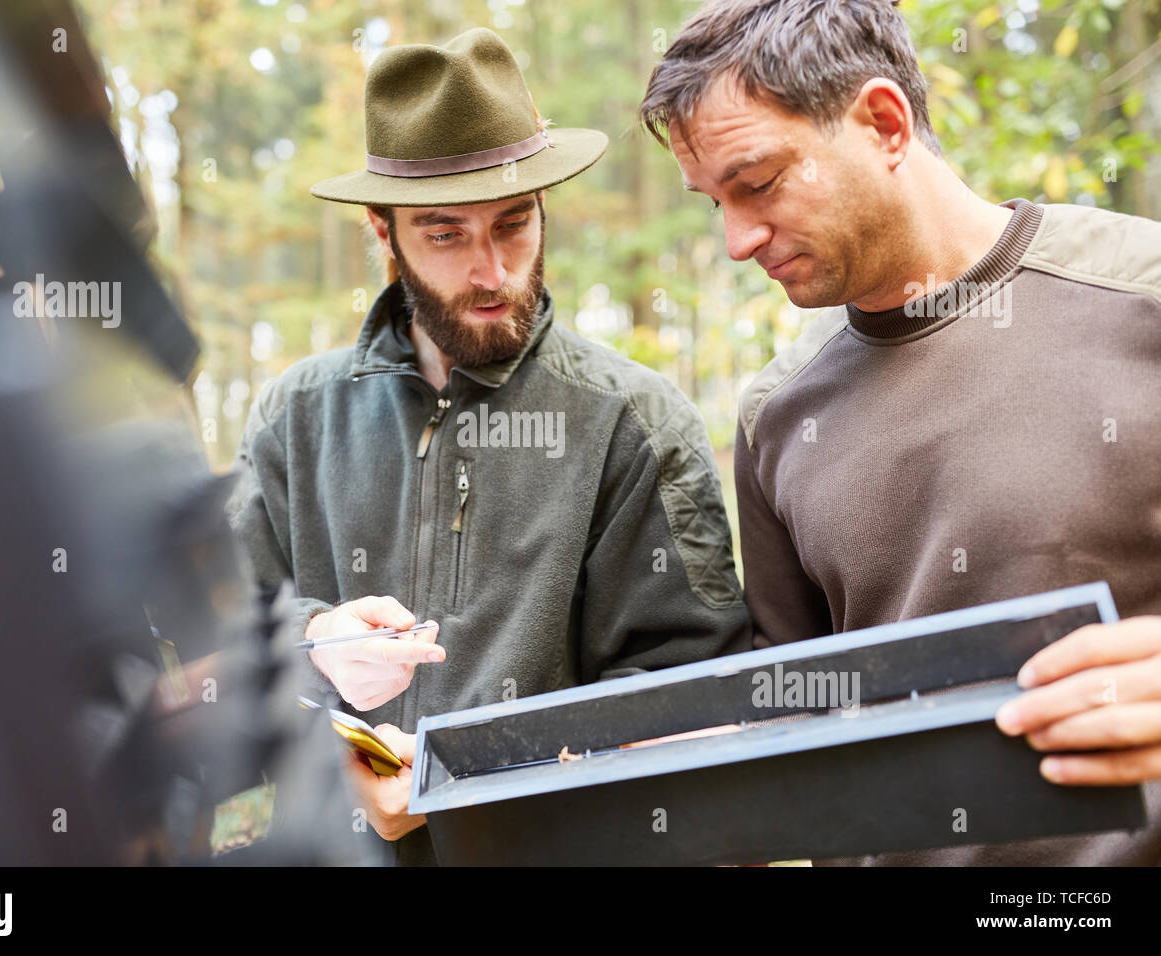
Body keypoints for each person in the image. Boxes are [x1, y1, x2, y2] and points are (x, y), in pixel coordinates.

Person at [640, 0, 1161, 864]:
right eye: (713, 204)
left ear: (884, 122)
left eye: (758, 183)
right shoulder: (778, 414)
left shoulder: (1140, 301)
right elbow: (791, 712)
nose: (737, 241)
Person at [228, 27, 752, 865]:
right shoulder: (296, 416)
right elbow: (214, 639)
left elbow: (694, 689)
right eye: (444, 234)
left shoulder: (633, 421)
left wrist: (480, 778)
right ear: (382, 233)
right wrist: (315, 645)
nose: (492, 272)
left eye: (514, 223)